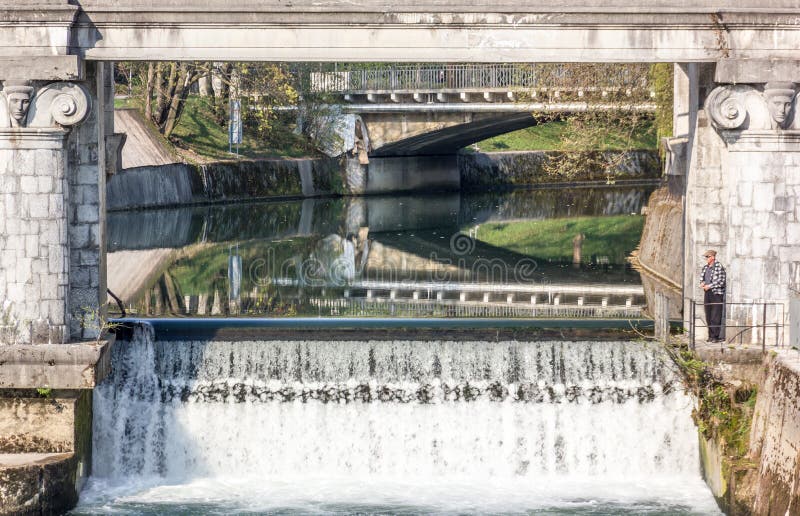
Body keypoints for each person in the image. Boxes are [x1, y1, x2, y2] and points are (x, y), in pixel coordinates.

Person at [700, 250, 726, 342]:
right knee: (708, 314)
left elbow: (721, 281)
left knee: (716, 315)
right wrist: (702, 283)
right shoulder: (705, 268)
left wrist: (709, 286)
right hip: (707, 293)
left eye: (707, 257)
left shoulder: (719, 267)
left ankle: (715, 336)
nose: (706, 259)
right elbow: (702, 278)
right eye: (706, 257)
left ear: (713, 257)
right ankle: (710, 335)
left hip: (716, 293)